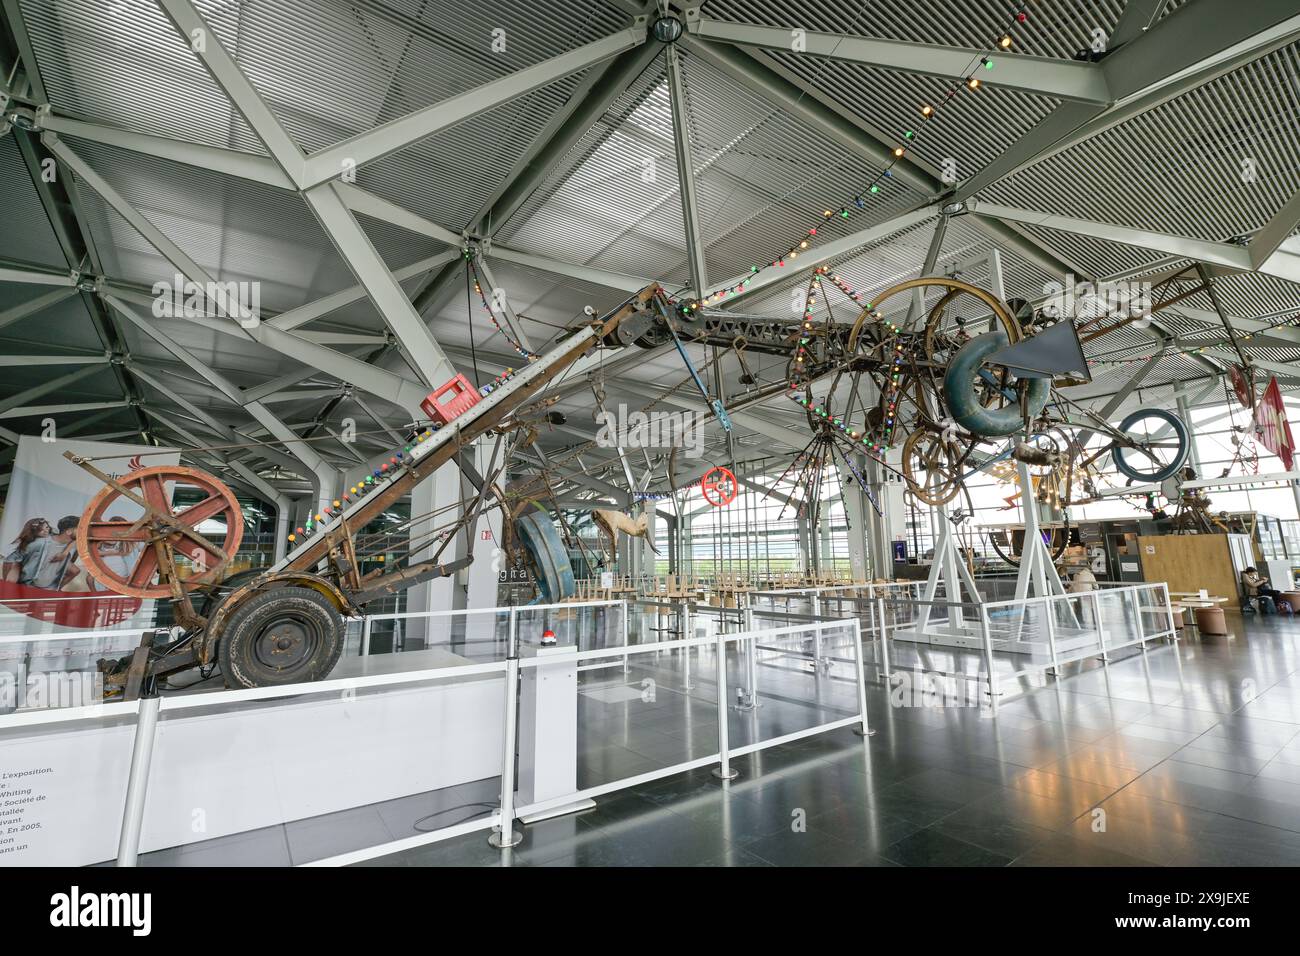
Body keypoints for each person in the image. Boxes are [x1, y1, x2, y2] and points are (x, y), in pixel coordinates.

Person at [3, 518, 52, 584]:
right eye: (41, 530)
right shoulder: (28, 544)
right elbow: (8, 560)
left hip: (36, 568)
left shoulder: (51, 535)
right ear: (33, 531)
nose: (46, 531)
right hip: (22, 565)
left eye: (47, 527)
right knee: (12, 577)